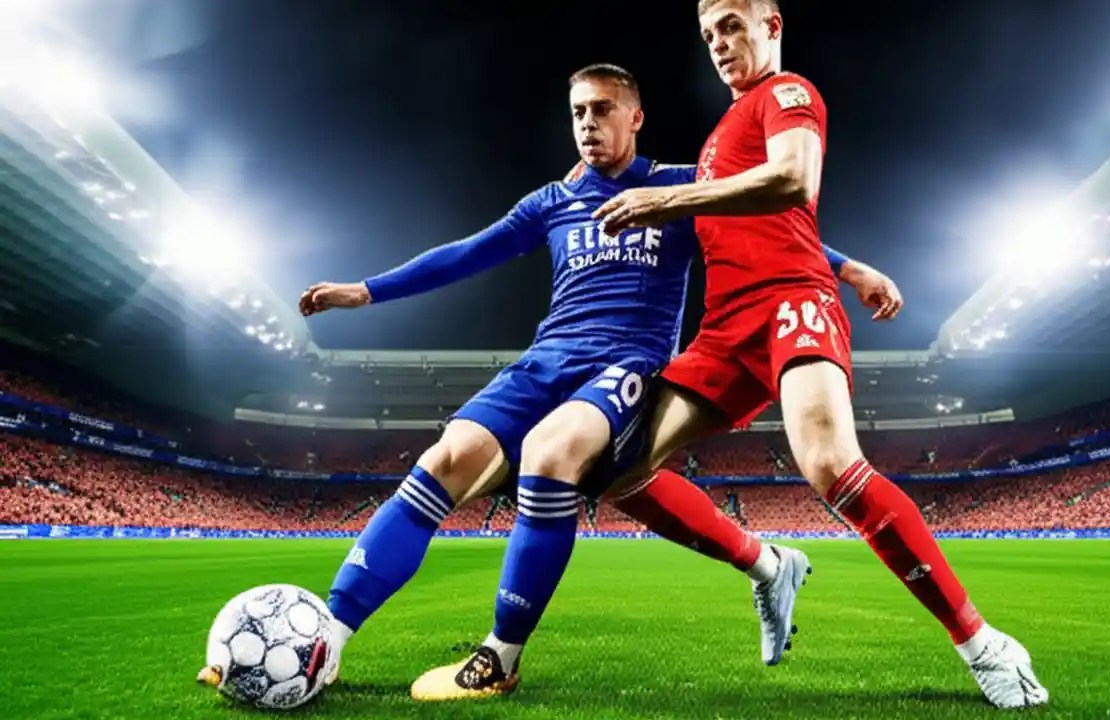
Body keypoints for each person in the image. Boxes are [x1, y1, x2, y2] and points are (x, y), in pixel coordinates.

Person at [419, 0, 1046, 710]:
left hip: (789, 303)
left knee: (830, 465)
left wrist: (675, 203)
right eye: (709, 33)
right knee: (615, 470)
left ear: (771, 25)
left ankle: (981, 640)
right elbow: (748, 210)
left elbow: (792, 181)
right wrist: (856, 266)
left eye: (732, 25)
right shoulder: (721, 136)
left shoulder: (786, 93)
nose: (720, 43)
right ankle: (768, 566)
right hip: (724, 329)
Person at [197, 62, 885, 695]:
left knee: (551, 454)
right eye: (579, 111)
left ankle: (501, 656)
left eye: (604, 110)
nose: (589, 123)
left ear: (635, 117)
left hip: (627, 364)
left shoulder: (678, 187)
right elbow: (465, 255)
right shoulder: (550, 202)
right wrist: (365, 291)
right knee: (443, 461)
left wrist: (848, 269)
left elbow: (766, 228)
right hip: (545, 359)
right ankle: (331, 635)